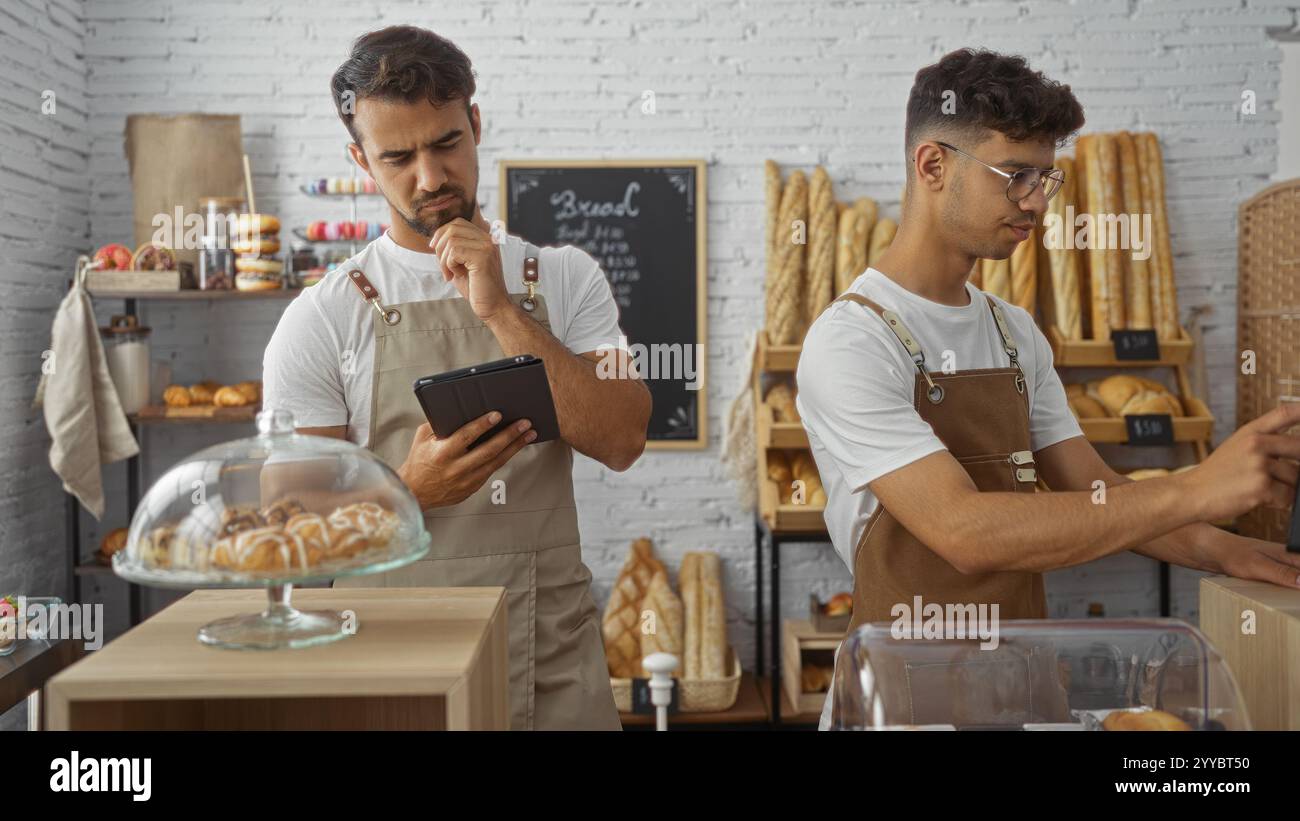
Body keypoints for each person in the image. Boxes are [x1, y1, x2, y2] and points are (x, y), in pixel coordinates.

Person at [796, 48, 1300, 729]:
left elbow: (1094, 491)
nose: (1036, 200)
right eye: (1017, 175)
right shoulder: (853, 339)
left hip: (1019, 693)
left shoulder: (1013, 331)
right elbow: (963, 531)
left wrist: (1227, 548)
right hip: (903, 704)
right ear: (933, 166)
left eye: (1045, 178)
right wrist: (1197, 485)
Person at [262, 25, 651, 730]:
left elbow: (624, 435)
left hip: (552, 668)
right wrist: (407, 491)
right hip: (390, 672)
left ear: (475, 123)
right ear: (360, 159)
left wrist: (502, 309)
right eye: (399, 157)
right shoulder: (319, 318)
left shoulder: (562, 278)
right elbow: (290, 533)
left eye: (445, 143)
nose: (431, 177)